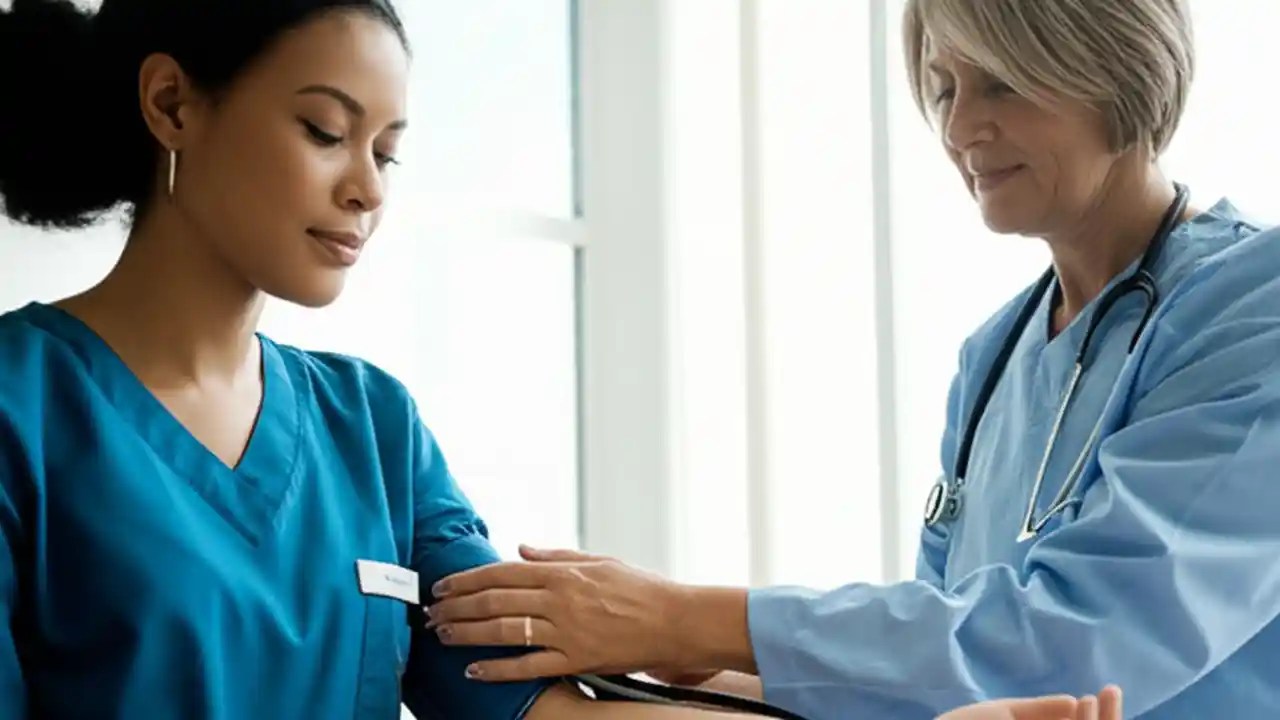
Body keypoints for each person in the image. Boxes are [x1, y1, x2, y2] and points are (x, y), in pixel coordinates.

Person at [425, 0, 1280, 718]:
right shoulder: (993, 360)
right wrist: (689, 670)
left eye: (1001, 83)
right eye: (943, 88)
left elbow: (1079, 640)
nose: (959, 127)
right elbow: (941, 670)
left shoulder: (1253, 301)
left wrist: (682, 618)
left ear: (1119, 73)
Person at [0, 1, 784, 718]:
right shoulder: (19, 405)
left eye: (386, 153)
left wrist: (833, 670)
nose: (368, 190)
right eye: (325, 132)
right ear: (172, 104)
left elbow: (552, 714)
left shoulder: (374, 428)